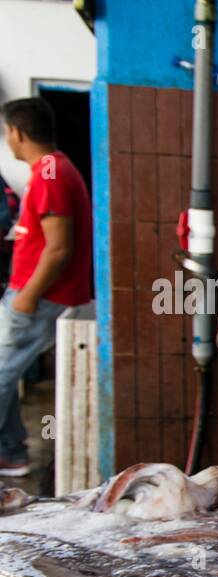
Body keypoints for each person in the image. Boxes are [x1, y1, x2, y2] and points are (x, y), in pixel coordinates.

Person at [0, 98, 92, 478]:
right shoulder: (50, 170)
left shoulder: (51, 172)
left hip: (39, 298)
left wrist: (26, 297)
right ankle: (11, 452)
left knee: (3, 374)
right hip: (32, 295)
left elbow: (59, 247)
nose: (8, 140)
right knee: (6, 375)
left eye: (7, 133)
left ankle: (12, 452)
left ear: (18, 132)